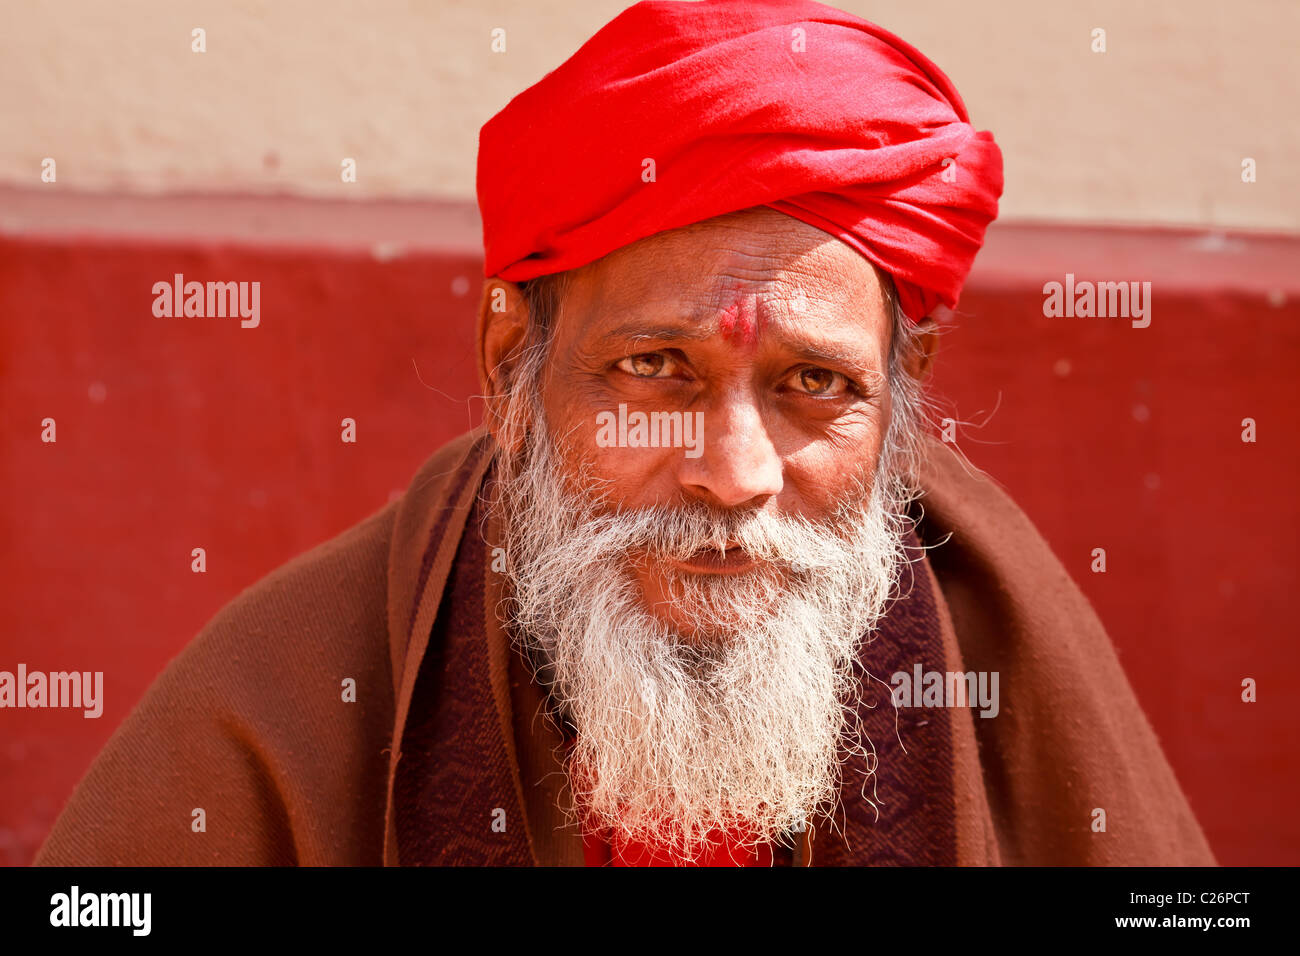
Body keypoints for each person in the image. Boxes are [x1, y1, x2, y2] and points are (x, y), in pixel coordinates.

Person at [35, 0, 1214, 866]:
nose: (733, 475)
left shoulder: (1008, 640)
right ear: (510, 363)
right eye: (655, 369)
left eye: (815, 383)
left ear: (904, 393)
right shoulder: (287, 698)